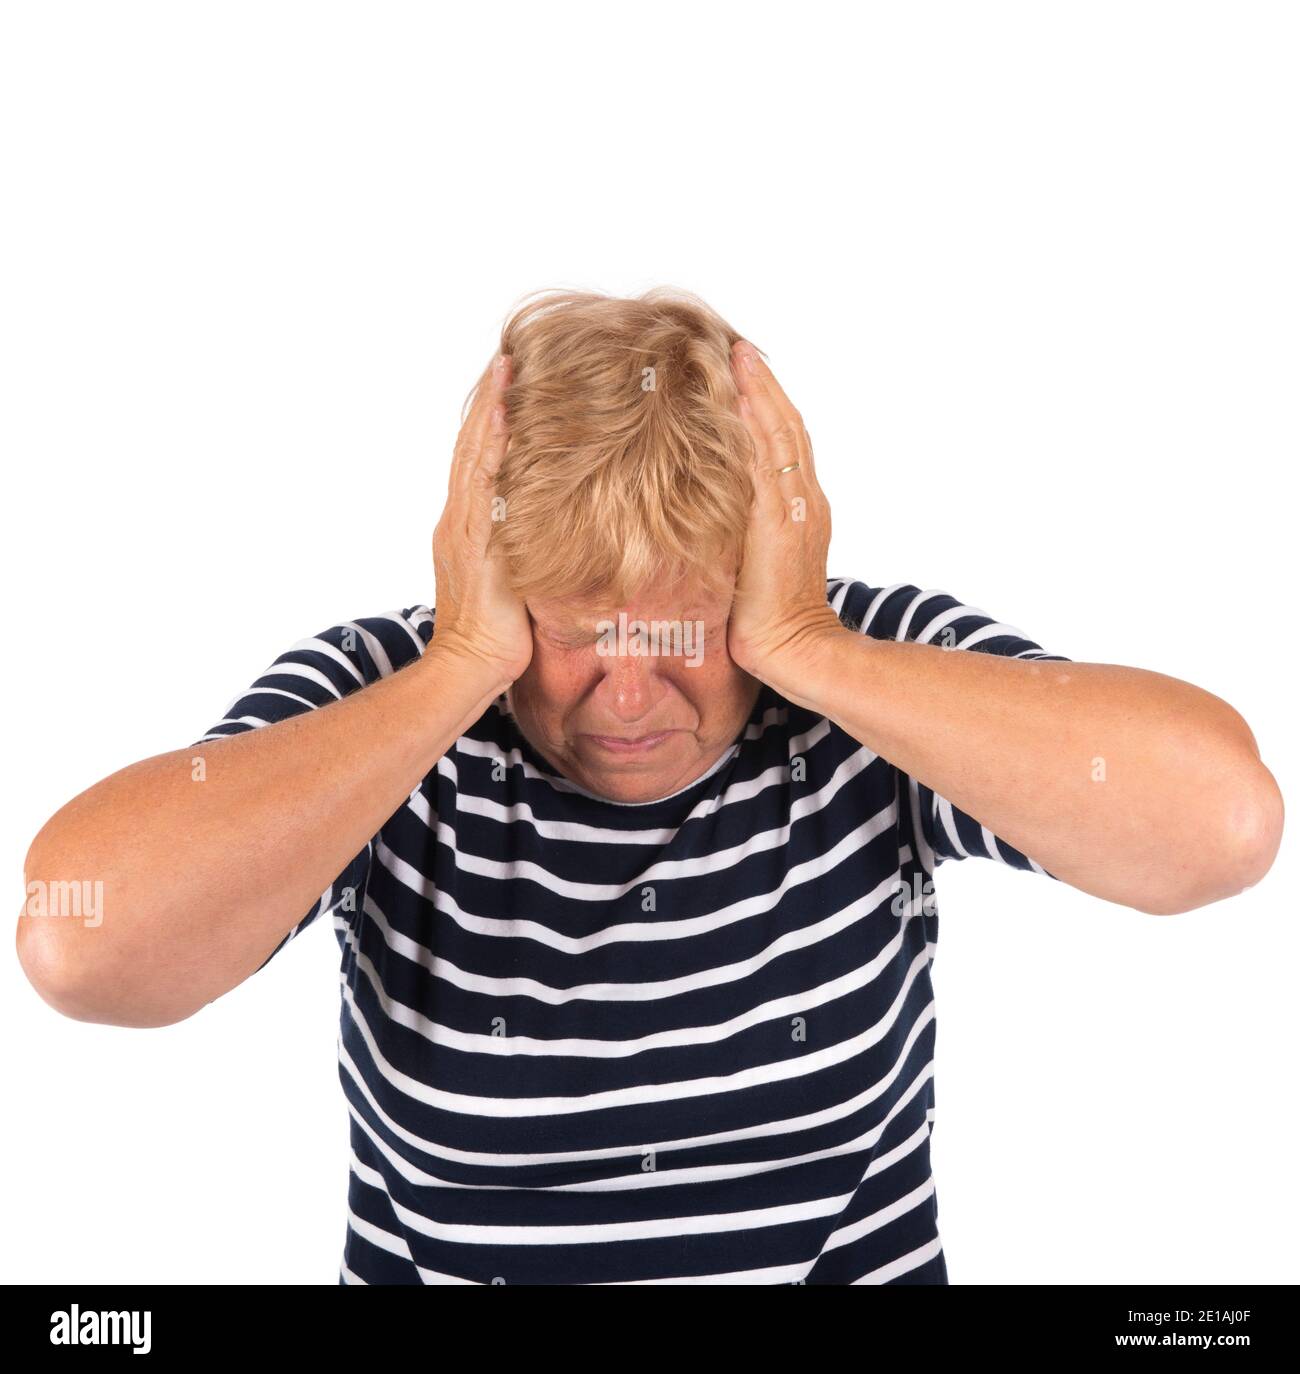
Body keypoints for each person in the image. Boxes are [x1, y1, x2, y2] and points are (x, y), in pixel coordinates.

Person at [17, 289, 1283, 1285]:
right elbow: (83, 945)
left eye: (690, 628)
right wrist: (458, 668)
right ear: (489, 576)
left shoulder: (850, 666)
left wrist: (807, 649)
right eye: (575, 629)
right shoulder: (390, 690)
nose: (629, 699)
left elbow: (1220, 825)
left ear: (771, 570)